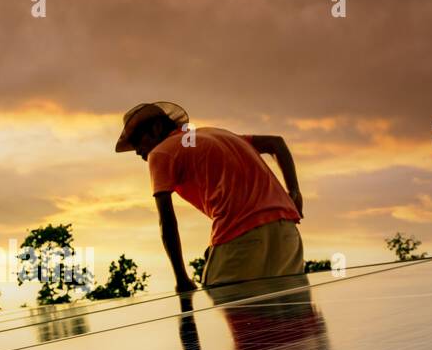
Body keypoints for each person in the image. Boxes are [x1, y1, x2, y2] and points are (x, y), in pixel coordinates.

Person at [114, 101, 305, 292]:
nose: (136, 150)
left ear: (156, 128)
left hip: (239, 233)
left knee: (223, 298)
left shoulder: (160, 153)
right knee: (291, 307)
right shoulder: (218, 134)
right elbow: (276, 143)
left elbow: (167, 221)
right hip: (287, 232)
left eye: (137, 140)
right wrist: (294, 192)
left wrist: (181, 278)